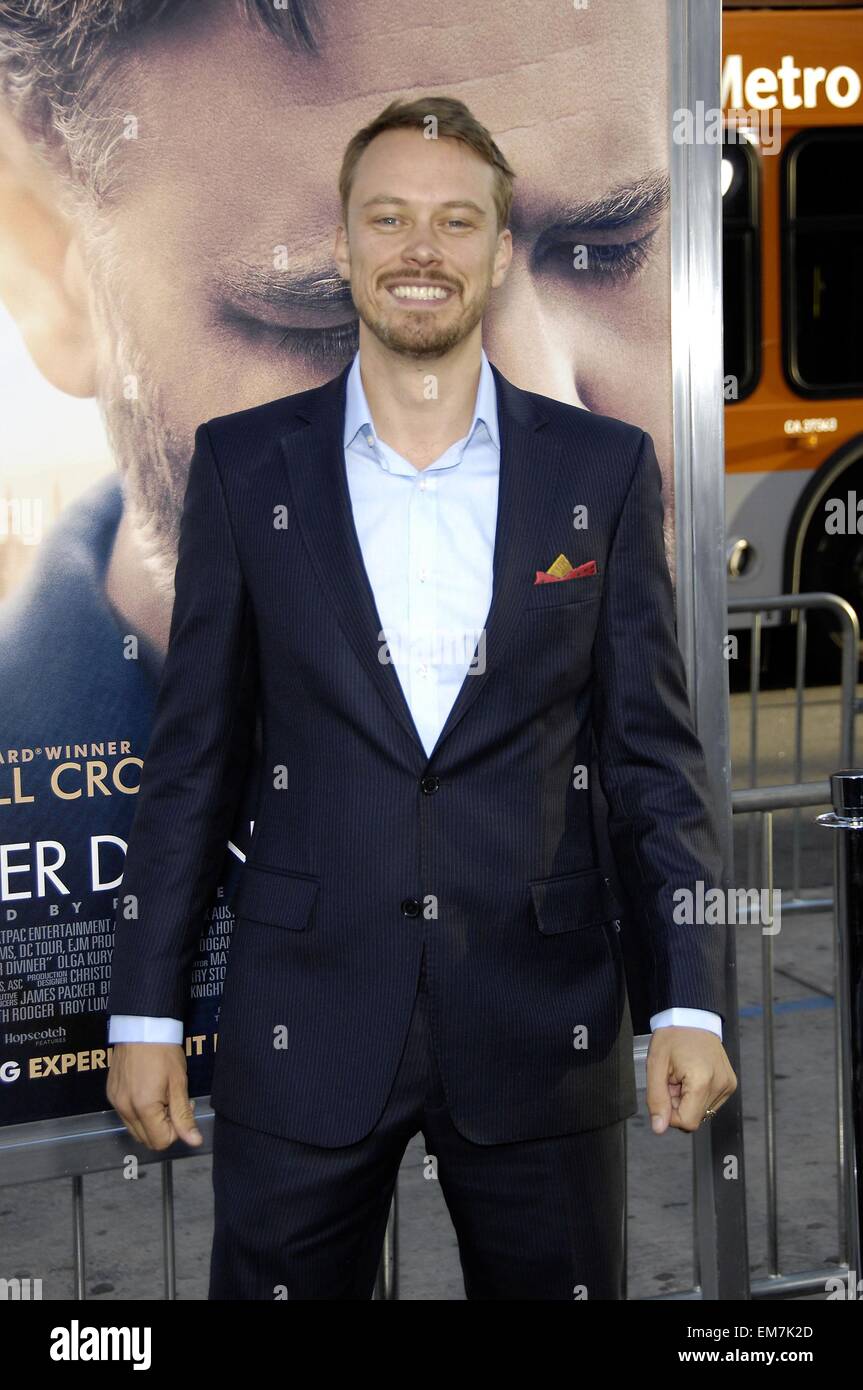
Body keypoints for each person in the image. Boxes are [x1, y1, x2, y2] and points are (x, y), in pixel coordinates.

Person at [106, 95, 737, 1301]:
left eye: (456, 222)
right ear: (340, 246)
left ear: (499, 255)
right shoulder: (246, 468)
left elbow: (652, 758)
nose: (419, 250)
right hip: (308, 1010)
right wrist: (143, 1014)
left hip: (536, 1019)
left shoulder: (597, 470)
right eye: (386, 218)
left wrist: (690, 998)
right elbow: (192, 762)